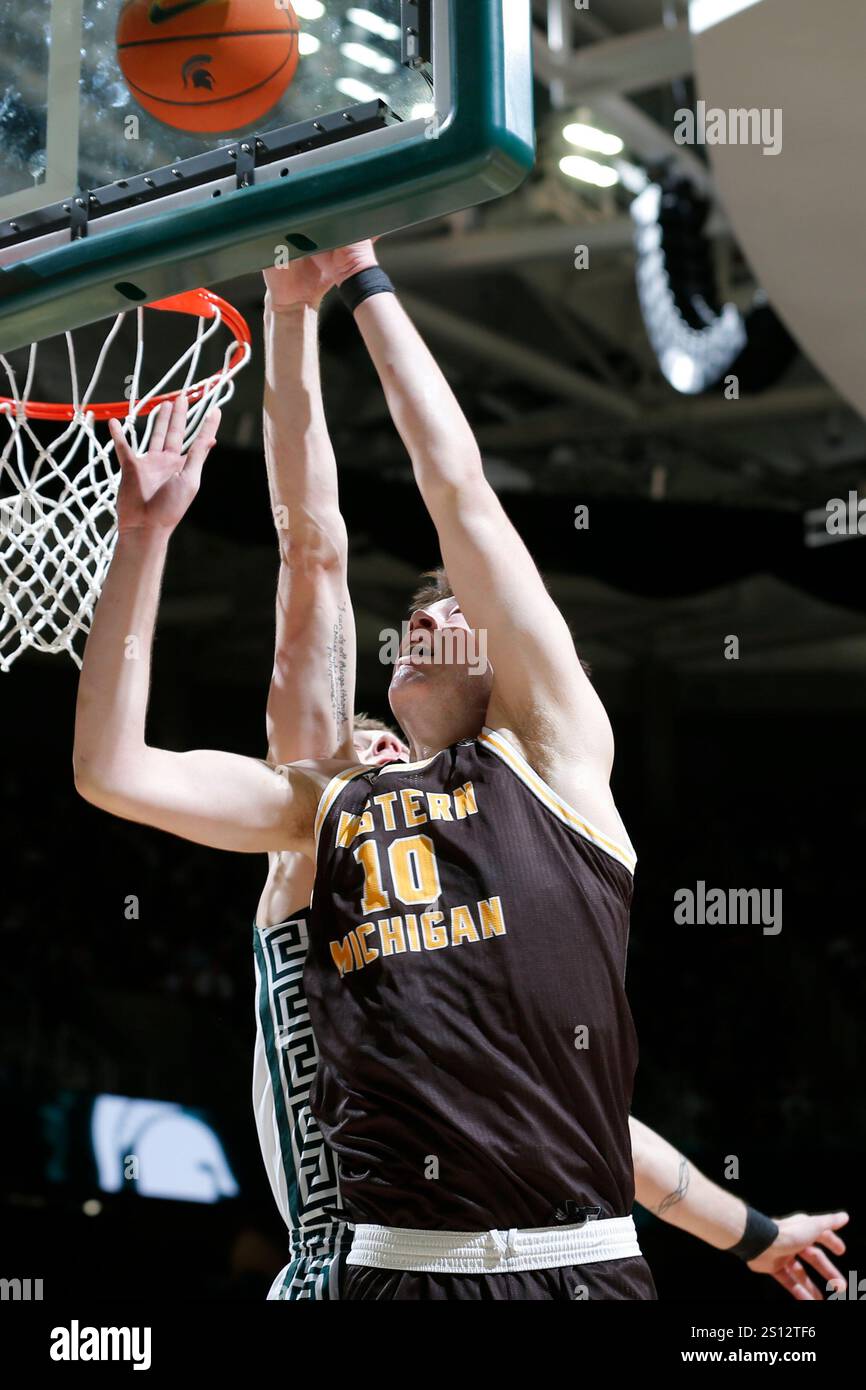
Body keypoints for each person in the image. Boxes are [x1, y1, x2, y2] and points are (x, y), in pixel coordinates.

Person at [73, 245, 849, 1301]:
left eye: (451, 605)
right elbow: (299, 573)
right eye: (419, 604)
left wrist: (364, 280)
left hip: (581, 1265)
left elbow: (460, 491)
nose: (426, 612)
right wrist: (148, 527)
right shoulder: (327, 806)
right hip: (382, 1266)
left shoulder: (553, 765)